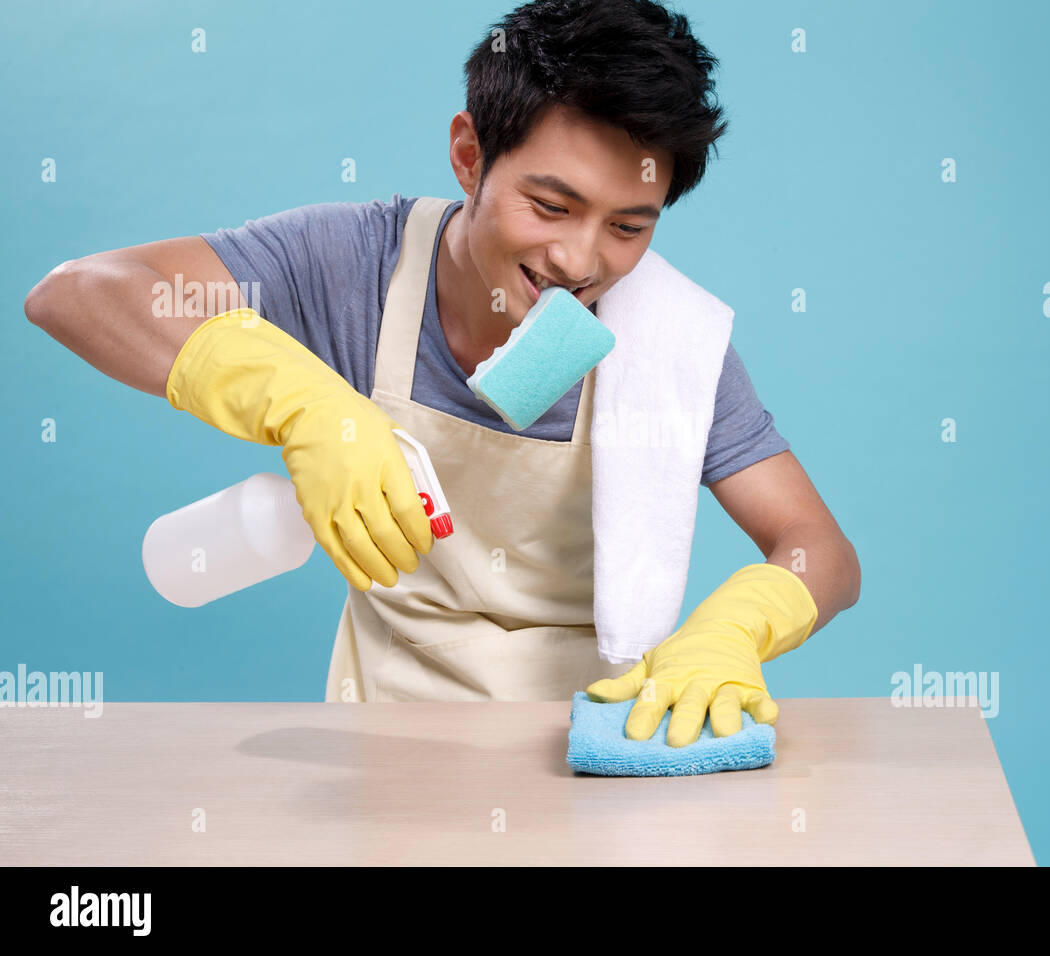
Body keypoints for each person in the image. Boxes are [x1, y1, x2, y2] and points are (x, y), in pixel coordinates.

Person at [24, 0, 860, 747]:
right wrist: (306, 405)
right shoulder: (353, 265)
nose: (580, 259)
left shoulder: (671, 340)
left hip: (592, 746)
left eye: (628, 227)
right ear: (469, 155)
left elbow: (818, 546)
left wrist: (742, 626)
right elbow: (77, 294)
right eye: (551, 206)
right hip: (380, 747)